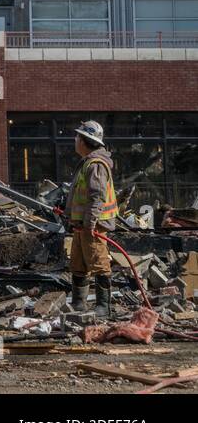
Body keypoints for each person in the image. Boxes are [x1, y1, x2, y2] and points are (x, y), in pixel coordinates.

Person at [65, 120, 118, 318]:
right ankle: (79, 305)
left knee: (98, 263)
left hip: (93, 226)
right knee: (78, 264)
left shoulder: (96, 165)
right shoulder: (87, 163)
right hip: (82, 226)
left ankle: (103, 307)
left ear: (85, 141)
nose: (75, 139)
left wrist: (89, 223)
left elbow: (97, 196)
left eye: (78, 136)